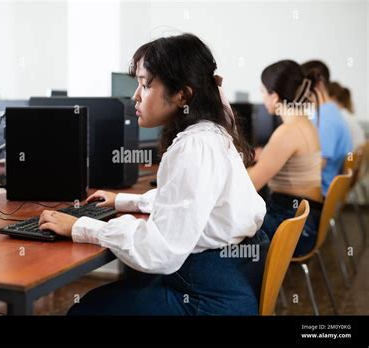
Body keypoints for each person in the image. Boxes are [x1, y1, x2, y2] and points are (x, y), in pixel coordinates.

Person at [38, 33, 268, 315]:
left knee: (84, 311)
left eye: (145, 85)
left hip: (207, 303)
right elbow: (186, 200)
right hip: (228, 281)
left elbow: (160, 252)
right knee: (133, 282)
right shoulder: (211, 134)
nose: (135, 96)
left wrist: (81, 227)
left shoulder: (193, 147)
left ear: (182, 95)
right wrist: (123, 202)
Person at [248, 60, 322, 257]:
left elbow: (249, 184)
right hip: (305, 223)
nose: (262, 97)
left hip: (294, 228)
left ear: (275, 96)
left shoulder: (287, 131)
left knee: (225, 228)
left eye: (263, 91)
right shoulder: (304, 123)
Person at [301, 60, 353, 196]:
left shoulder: (325, 118)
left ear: (317, 84)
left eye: (303, 84)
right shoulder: (331, 111)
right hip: (326, 190)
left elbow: (317, 166)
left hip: (318, 194)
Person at [328, 81, 365, 150]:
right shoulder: (344, 114)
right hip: (354, 155)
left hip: (351, 156)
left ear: (333, 98)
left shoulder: (340, 116)